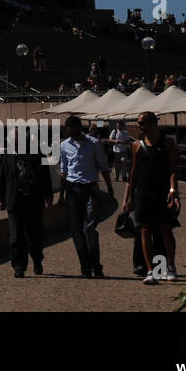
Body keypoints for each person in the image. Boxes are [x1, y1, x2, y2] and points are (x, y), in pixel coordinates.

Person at [124, 111, 180, 283]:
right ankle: (151, 271)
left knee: (165, 229)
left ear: (153, 123)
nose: (139, 126)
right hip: (143, 192)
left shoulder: (168, 143)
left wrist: (173, 190)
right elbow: (134, 172)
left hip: (162, 192)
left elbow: (173, 169)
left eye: (142, 123)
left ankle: (170, 265)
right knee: (145, 230)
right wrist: (129, 196)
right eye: (139, 123)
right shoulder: (137, 145)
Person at [58, 114, 112, 278]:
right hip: (72, 190)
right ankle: (85, 267)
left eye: (73, 130)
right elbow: (64, 171)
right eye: (68, 131)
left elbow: (103, 167)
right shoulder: (64, 145)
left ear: (79, 128)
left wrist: (110, 188)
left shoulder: (93, 143)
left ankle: (96, 265)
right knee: (76, 231)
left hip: (90, 189)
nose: (71, 134)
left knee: (89, 229)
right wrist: (61, 195)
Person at [0, 124, 53, 277]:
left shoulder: (37, 152)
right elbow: (2, 177)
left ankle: (37, 259)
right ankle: (19, 266)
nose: (16, 144)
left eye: (18, 141)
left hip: (33, 199)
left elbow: (45, 175)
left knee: (35, 234)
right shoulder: (5, 154)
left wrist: (48, 194)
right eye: (13, 141)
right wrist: (0, 198)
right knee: (15, 236)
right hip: (14, 200)